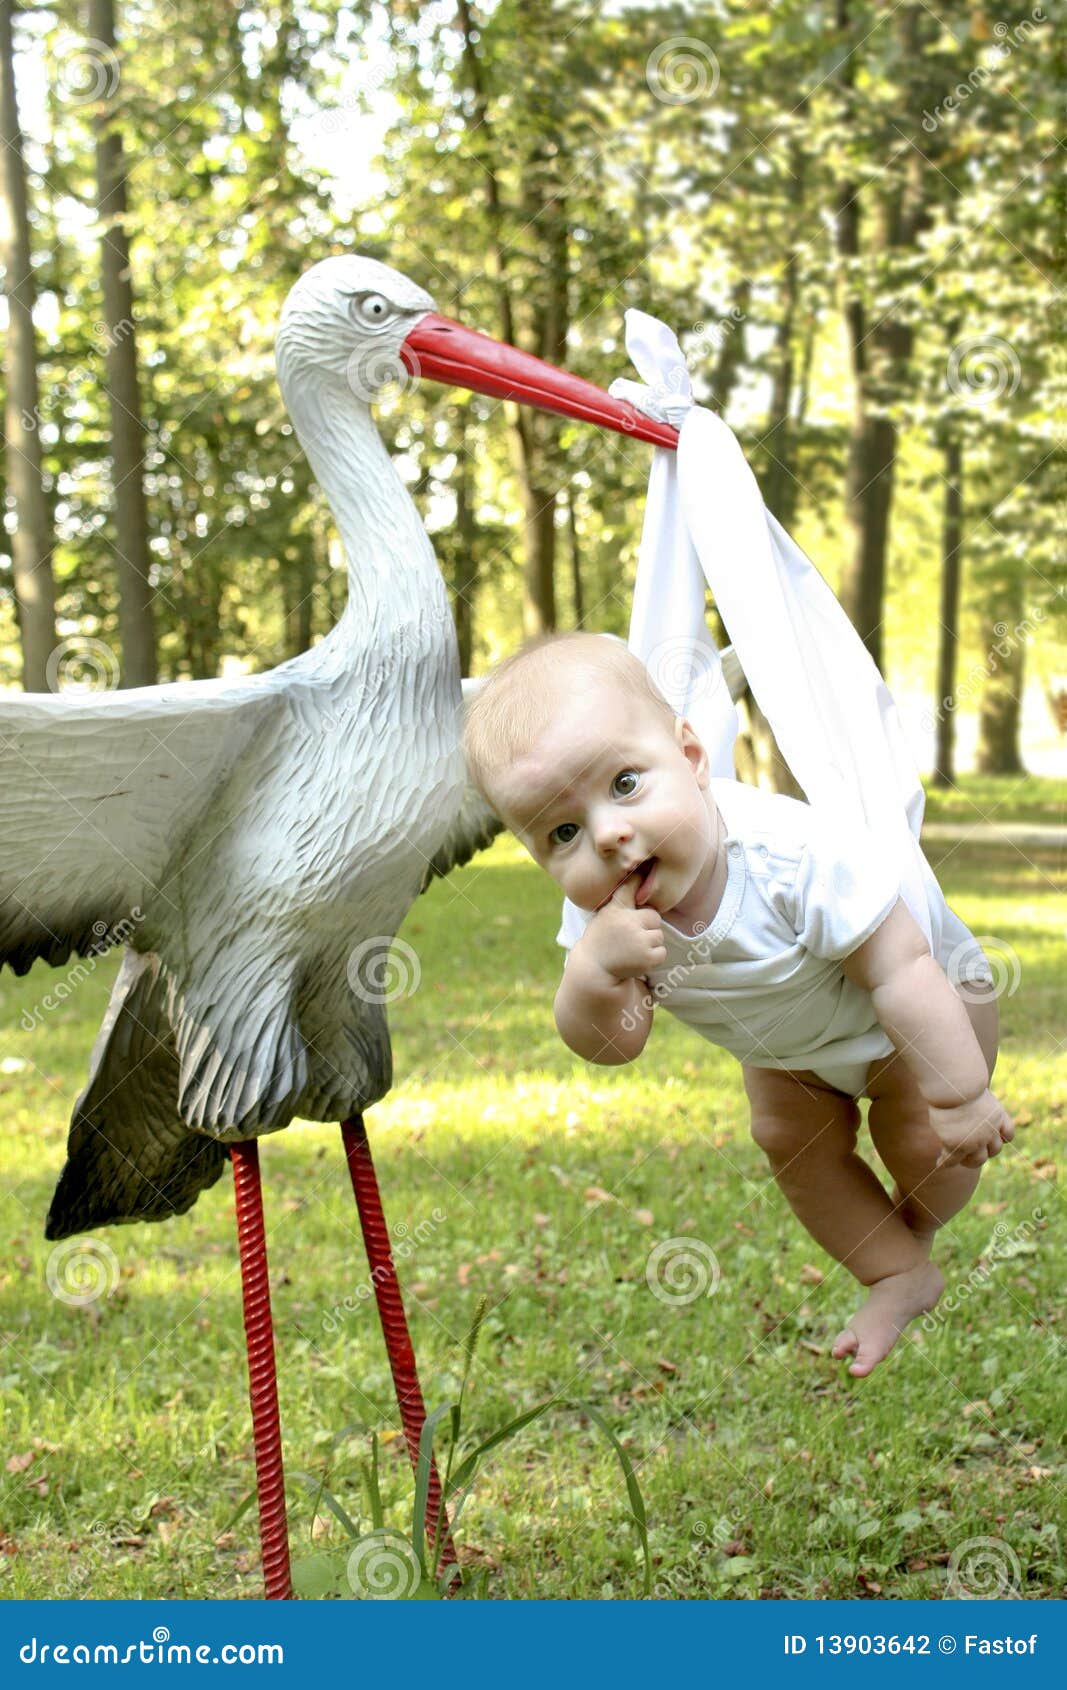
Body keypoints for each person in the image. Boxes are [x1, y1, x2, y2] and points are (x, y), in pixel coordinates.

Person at [463, 631, 1014, 1378]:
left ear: (691, 760)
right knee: (787, 1141)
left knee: (921, 1144)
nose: (608, 835)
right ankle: (896, 1272)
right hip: (787, 1054)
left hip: (908, 1016)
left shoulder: (789, 855)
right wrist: (592, 977)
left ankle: (913, 1225)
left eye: (625, 784)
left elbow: (900, 968)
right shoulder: (602, 921)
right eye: (562, 832)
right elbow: (614, 1045)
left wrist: (959, 1094)